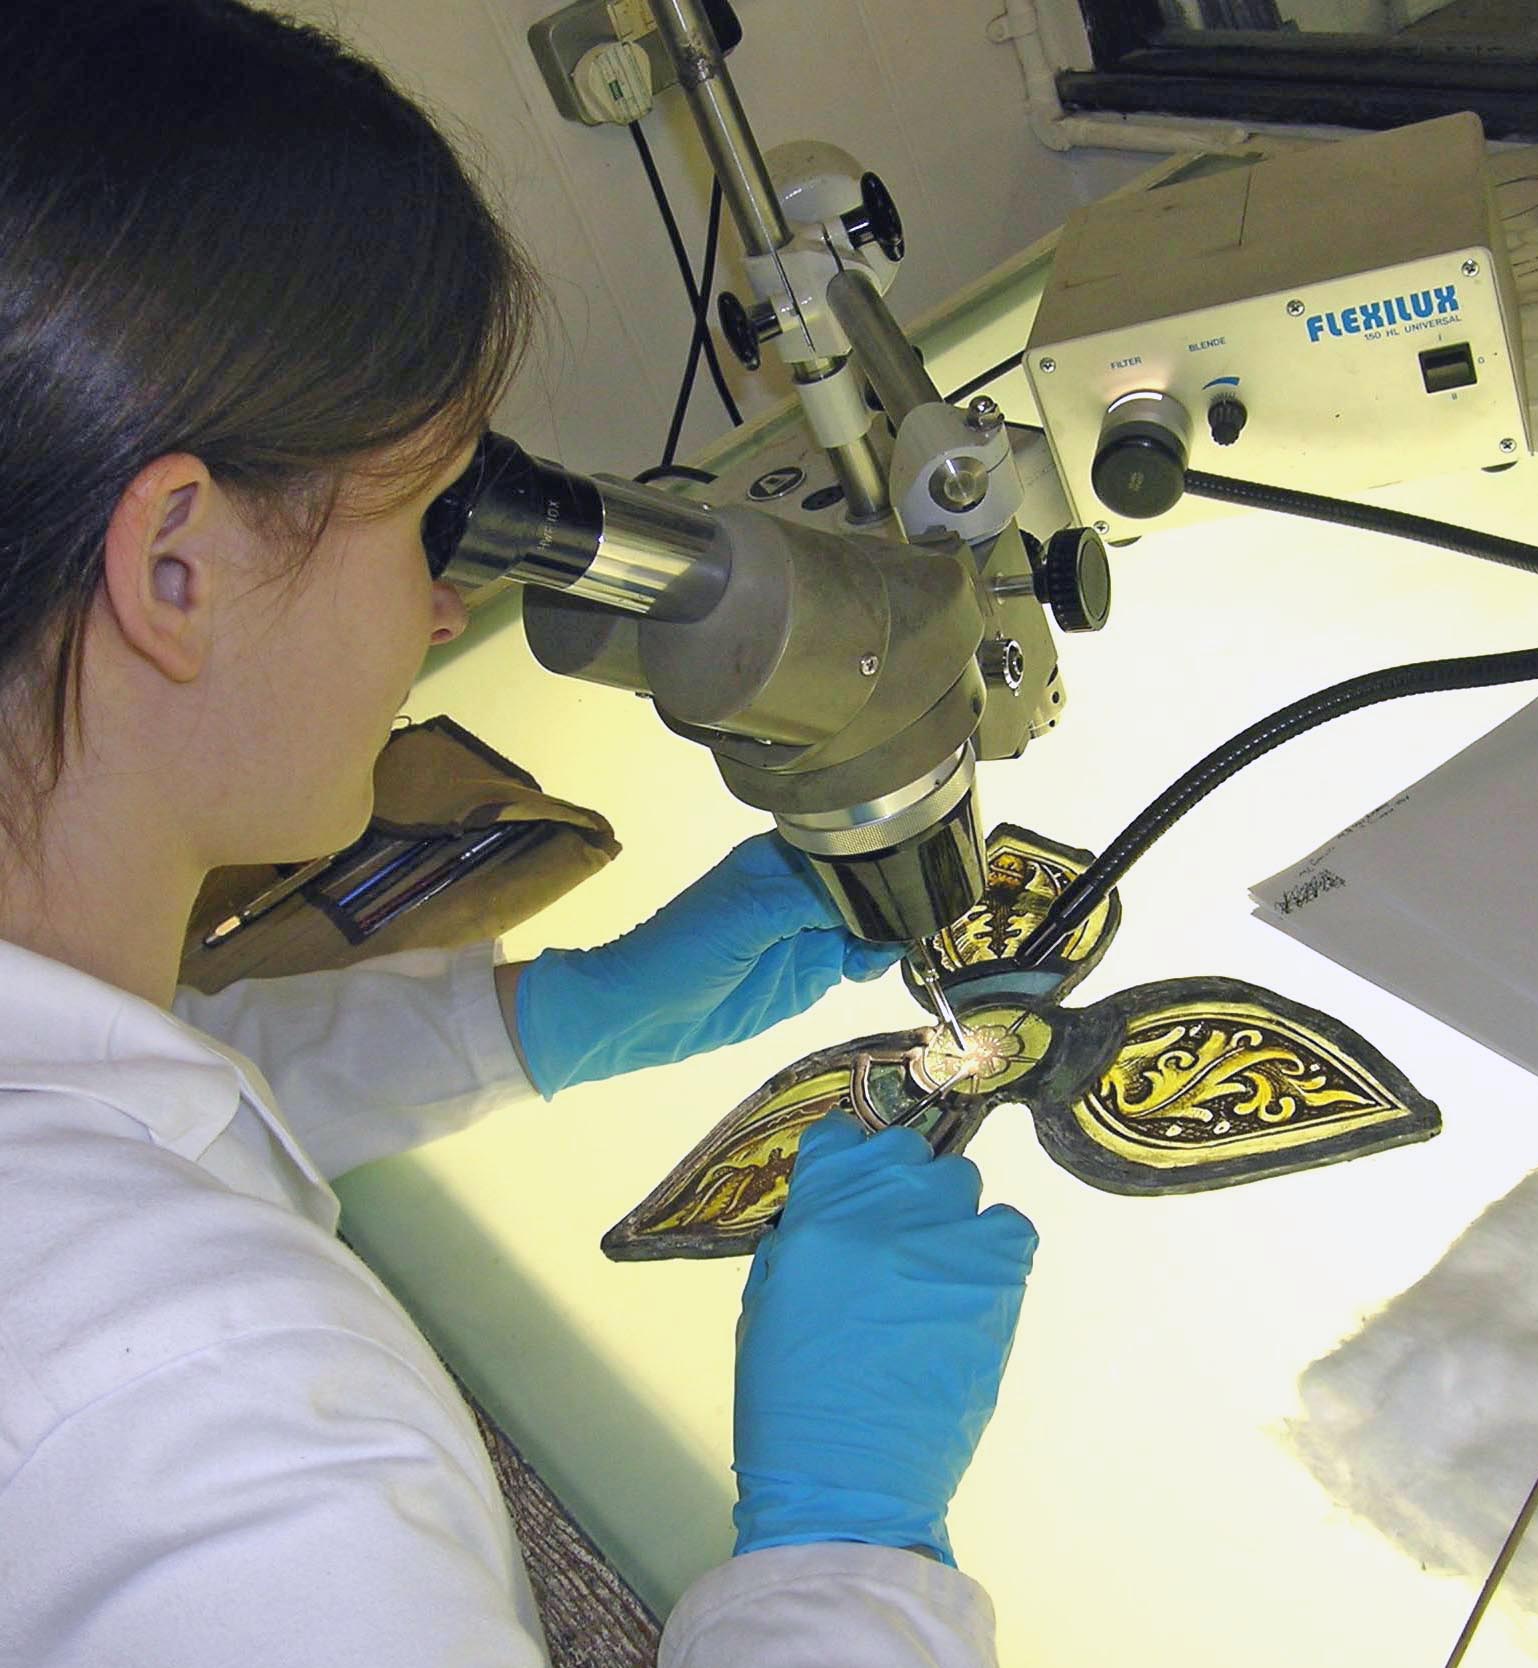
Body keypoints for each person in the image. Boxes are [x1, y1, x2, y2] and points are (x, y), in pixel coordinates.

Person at [0, 5, 1036, 1666]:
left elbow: (92, 1113)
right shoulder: (244, 1448)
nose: (448, 606)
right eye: (421, 521)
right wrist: (848, 1552)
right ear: (173, 568)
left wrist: (547, 1017)